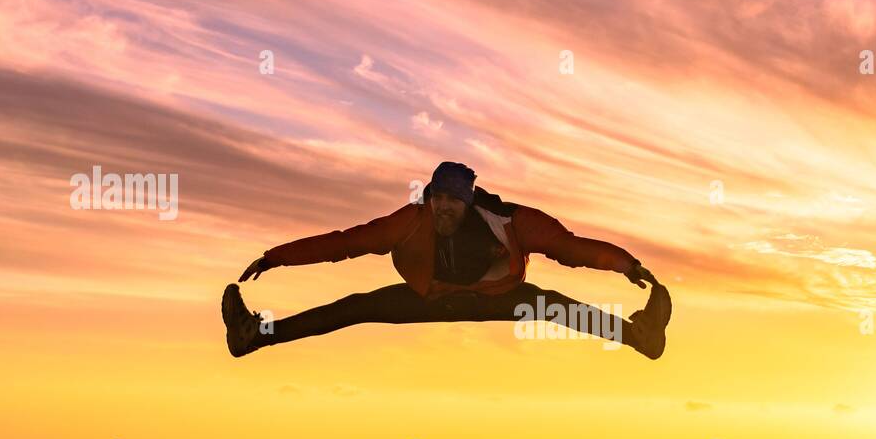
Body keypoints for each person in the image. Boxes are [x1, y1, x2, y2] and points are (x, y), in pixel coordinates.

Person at [221, 161, 672, 358]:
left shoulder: (511, 221)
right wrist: (276, 257)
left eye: (453, 202)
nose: (444, 209)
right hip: (429, 299)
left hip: (495, 298)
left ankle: (642, 338)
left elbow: (570, 248)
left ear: (469, 202)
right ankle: (251, 337)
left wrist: (626, 264)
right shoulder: (411, 220)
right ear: (430, 197)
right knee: (353, 307)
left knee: (553, 303)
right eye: (438, 200)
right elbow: (344, 243)